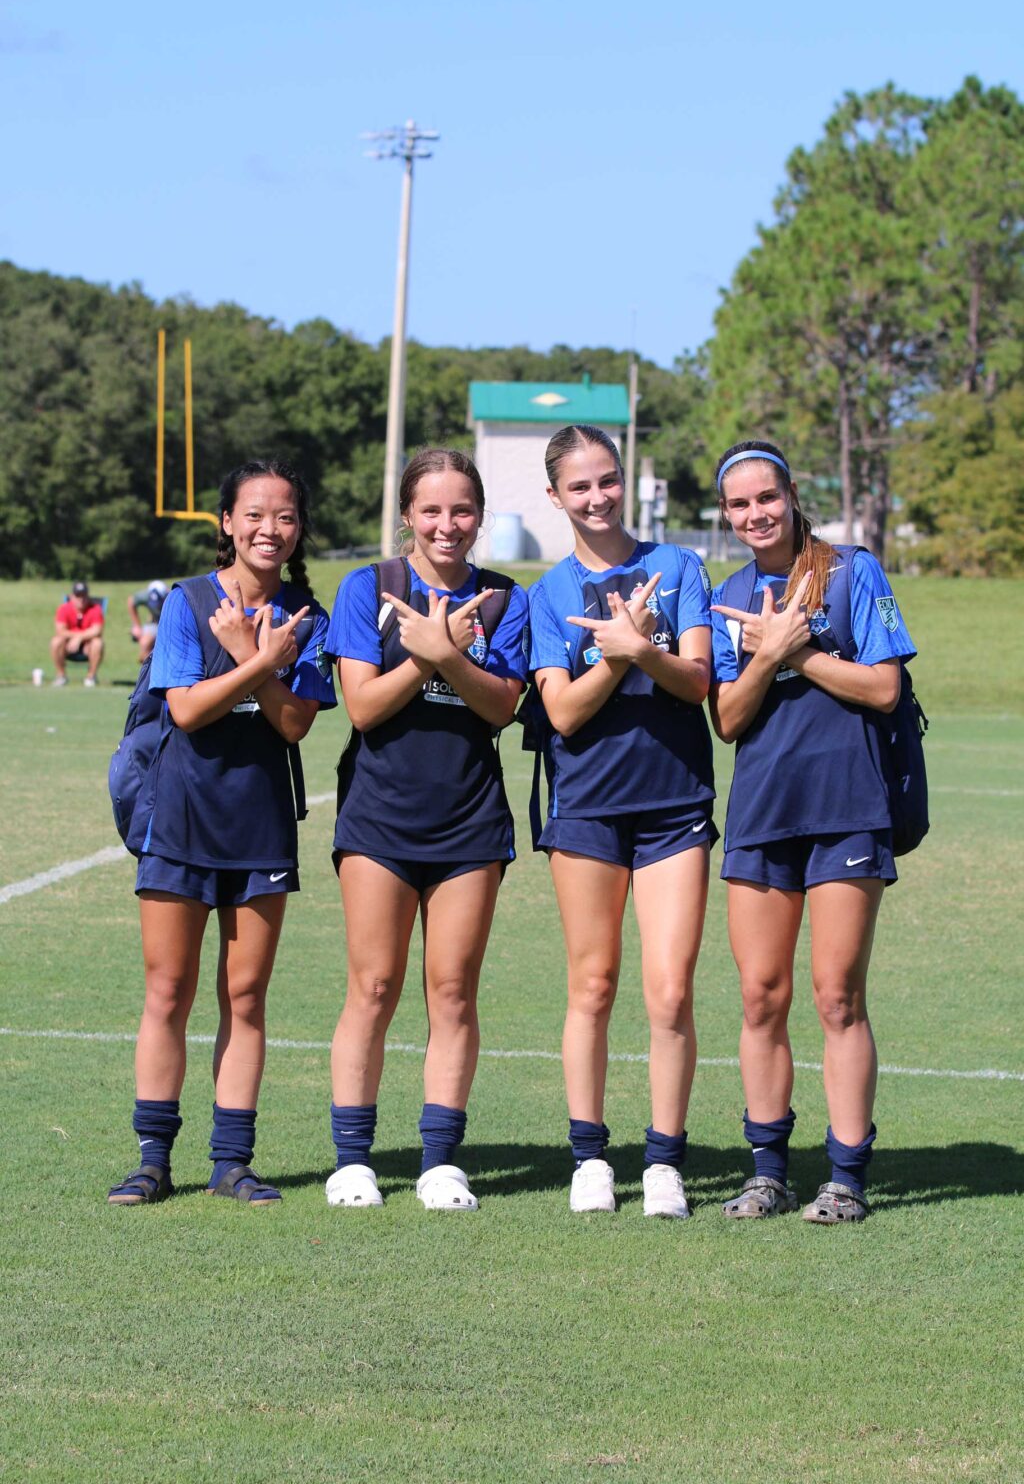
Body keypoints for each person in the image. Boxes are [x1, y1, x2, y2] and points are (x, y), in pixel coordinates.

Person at [107, 459, 335, 1206]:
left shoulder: (309, 616)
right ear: (228, 524)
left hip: (261, 824)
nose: (271, 529)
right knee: (167, 992)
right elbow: (185, 710)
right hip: (179, 818)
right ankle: (151, 1159)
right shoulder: (188, 601)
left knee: (245, 996)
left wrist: (253, 656)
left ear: (299, 529)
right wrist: (260, 663)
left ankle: (231, 1161)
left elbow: (296, 722)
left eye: (286, 517)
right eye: (256, 515)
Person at [709, 440, 916, 1224]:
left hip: (848, 807)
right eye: (739, 504)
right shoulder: (729, 591)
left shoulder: (851, 572)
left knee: (837, 997)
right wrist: (766, 659)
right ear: (726, 513)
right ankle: (767, 1173)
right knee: (761, 996)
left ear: (792, 495)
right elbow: (728, 718)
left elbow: (885, 687)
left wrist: (802, 649)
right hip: (763, 812)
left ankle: (846, 1177)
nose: (755, 514)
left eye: (767, 497)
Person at [325, 448, 528, 1212]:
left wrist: (453, 660)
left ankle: (442, 1161)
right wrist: (432, 658)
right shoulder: (367, 588)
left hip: (470, 821)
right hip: (378, 818)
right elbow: (364, 707)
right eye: (433, 511)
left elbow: (503, 707)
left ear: (478, 516)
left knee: (453, 991)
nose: (448, 525)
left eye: (463, 510)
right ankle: (353, 1160)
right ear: (408, 515)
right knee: (373, 986)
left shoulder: (507, 599)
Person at [528, 424, 715, 1217]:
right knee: (594, 984)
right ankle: (591, 1157)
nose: (598, 497)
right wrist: (616, 654)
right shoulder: (547, 594)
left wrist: (644, 649)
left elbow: (699, 682)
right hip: (587, 808)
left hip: (675, 806)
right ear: (555, 498)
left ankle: (665, 1160)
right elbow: (562, 713)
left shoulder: (679, 567)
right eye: (580, 487)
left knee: (669, 992)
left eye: (607, 481)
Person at [51, 580, 104, 686]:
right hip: (67, 646)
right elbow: (60, 630)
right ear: (71, 596)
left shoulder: (95, 609)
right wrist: (76, 638)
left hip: (88, 646)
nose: (81, 599)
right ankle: (61, 676)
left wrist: (80, 638)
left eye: (84, 596)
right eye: (78, 596)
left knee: (98, 643)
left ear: (88, 596)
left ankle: (91, 677)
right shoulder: (64, 608)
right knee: (55, 641)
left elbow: (97, 630)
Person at [127, 580, 170, 662]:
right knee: (145, 643)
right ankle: (147, 669)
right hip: (155, 623)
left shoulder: (171, 597)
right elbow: (131, 601)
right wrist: (136, 626)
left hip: (170, 625)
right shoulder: (146, 595)